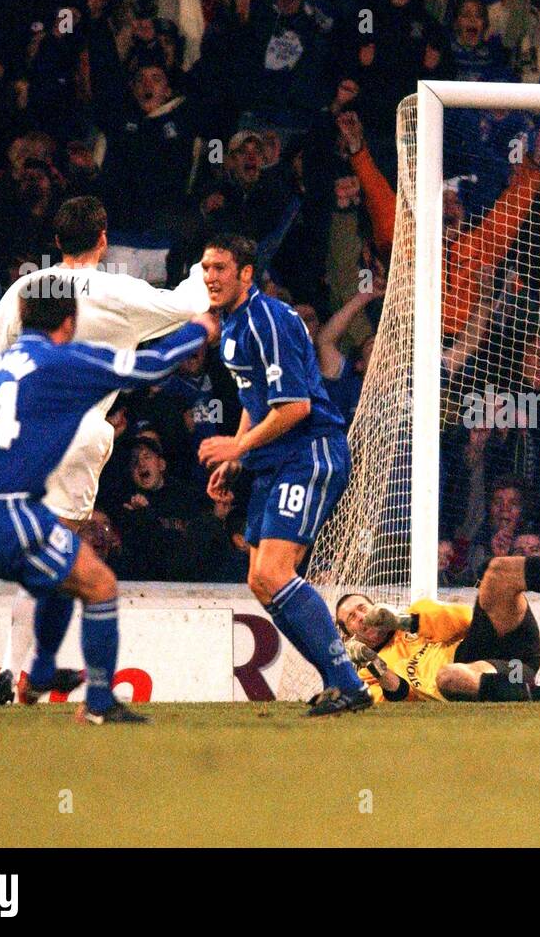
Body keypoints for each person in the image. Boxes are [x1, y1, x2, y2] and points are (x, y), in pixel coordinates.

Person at [0, 196, 210, 706]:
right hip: (80, 432)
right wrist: (204, 267)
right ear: (103, 237)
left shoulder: (30, 287)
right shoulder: (121, 291)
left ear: (56, 240)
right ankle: (11, 671)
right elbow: (188, 305)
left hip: (14, 425)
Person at [195, 234, 368, 717]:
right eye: (206, 268)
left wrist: (238, 445)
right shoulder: (233, 323)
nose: (210, 277)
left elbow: (295, 406)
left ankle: (347, 682)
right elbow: (259, 400)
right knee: (259, 578)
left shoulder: (268, 319)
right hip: (276, 460)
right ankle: (339, 680)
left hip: (310, 454)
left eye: (220, 268)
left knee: (275, 571)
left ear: (246, 274)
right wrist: (237, 459)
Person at [335, 536, 540, 703]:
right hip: (505, 672)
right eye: (351, 618)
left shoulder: (414, 615)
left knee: (496, 572)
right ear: (349, 634)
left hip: (499, 642)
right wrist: (374, 662)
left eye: (362, 608)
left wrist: (402, 622)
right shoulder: (367, 673)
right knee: (449, 677)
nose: (361, 617)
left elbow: (466, 618)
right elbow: (400, 697)